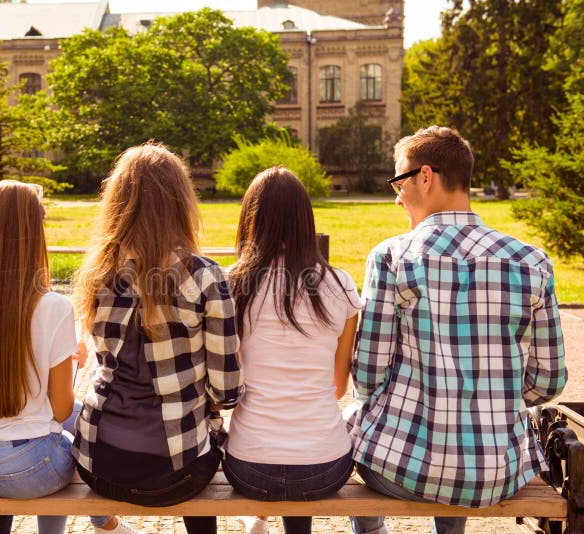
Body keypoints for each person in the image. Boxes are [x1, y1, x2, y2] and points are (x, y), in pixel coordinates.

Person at [348, 126, 567, 534]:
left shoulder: (393, 257)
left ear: (425, 177)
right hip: (497, 473)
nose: (397, 196)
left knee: (353, 429)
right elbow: (548, 381)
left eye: (399, 181)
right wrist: (488, 397)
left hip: (401, 471)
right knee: (458, 453)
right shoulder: (532, 262)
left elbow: (367, 376)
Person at [72, 142, 244, 534]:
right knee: (200, 443)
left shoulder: (97, 274)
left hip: (99, 462)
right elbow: (227, 391)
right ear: (180, 202)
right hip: (175, 470)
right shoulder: (204, 277)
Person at [0, 180, 132, 534]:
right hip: (24, 468)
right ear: (34, 233)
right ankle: (103, 523)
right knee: (81, 439)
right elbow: (59, 409)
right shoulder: (52, 307)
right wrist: (70, 364)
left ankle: (107, 523)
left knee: (75, 422)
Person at [224, 167, 360, 534]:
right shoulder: (341, 285)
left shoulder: (231, 284)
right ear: (305, 219)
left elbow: (227, 385)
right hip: (326, 465)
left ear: (250, 219)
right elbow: (338, 385)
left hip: (249, 466)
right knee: (300, 471)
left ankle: (258, 519)